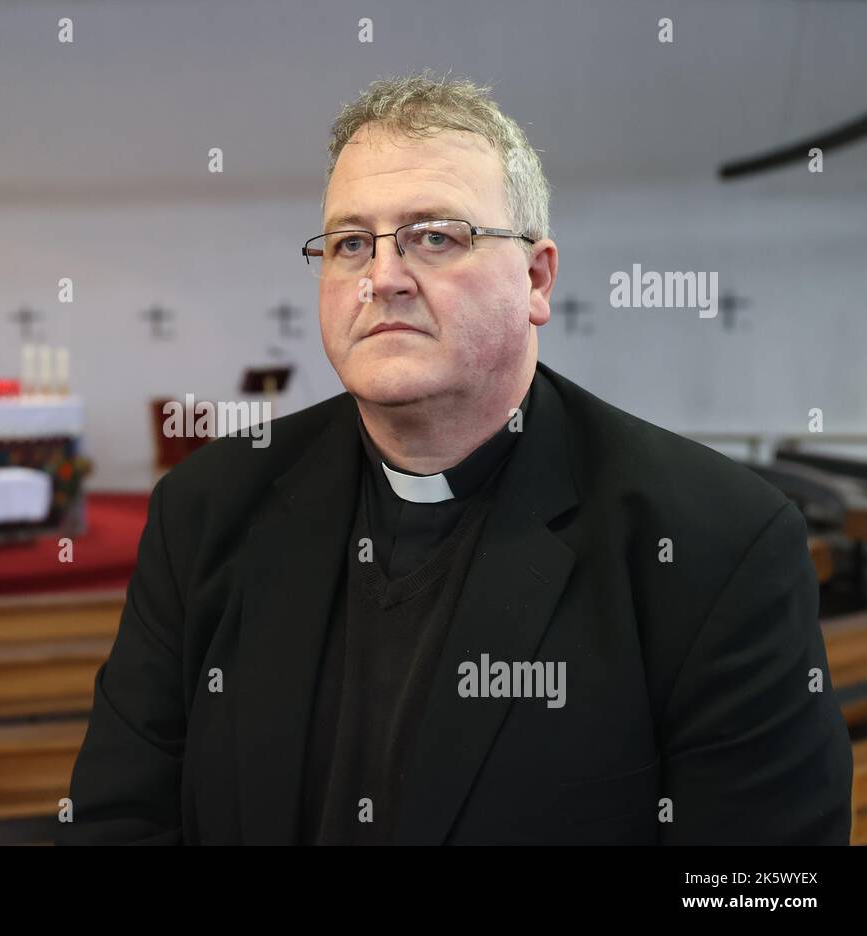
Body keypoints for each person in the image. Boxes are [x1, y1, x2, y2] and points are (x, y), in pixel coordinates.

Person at [56, 71, 853, 844]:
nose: (383, 278)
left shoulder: (716, 546)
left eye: (434, 236)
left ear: (537, 278)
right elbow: (117, 820)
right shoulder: (205, 509)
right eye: (349, 243)